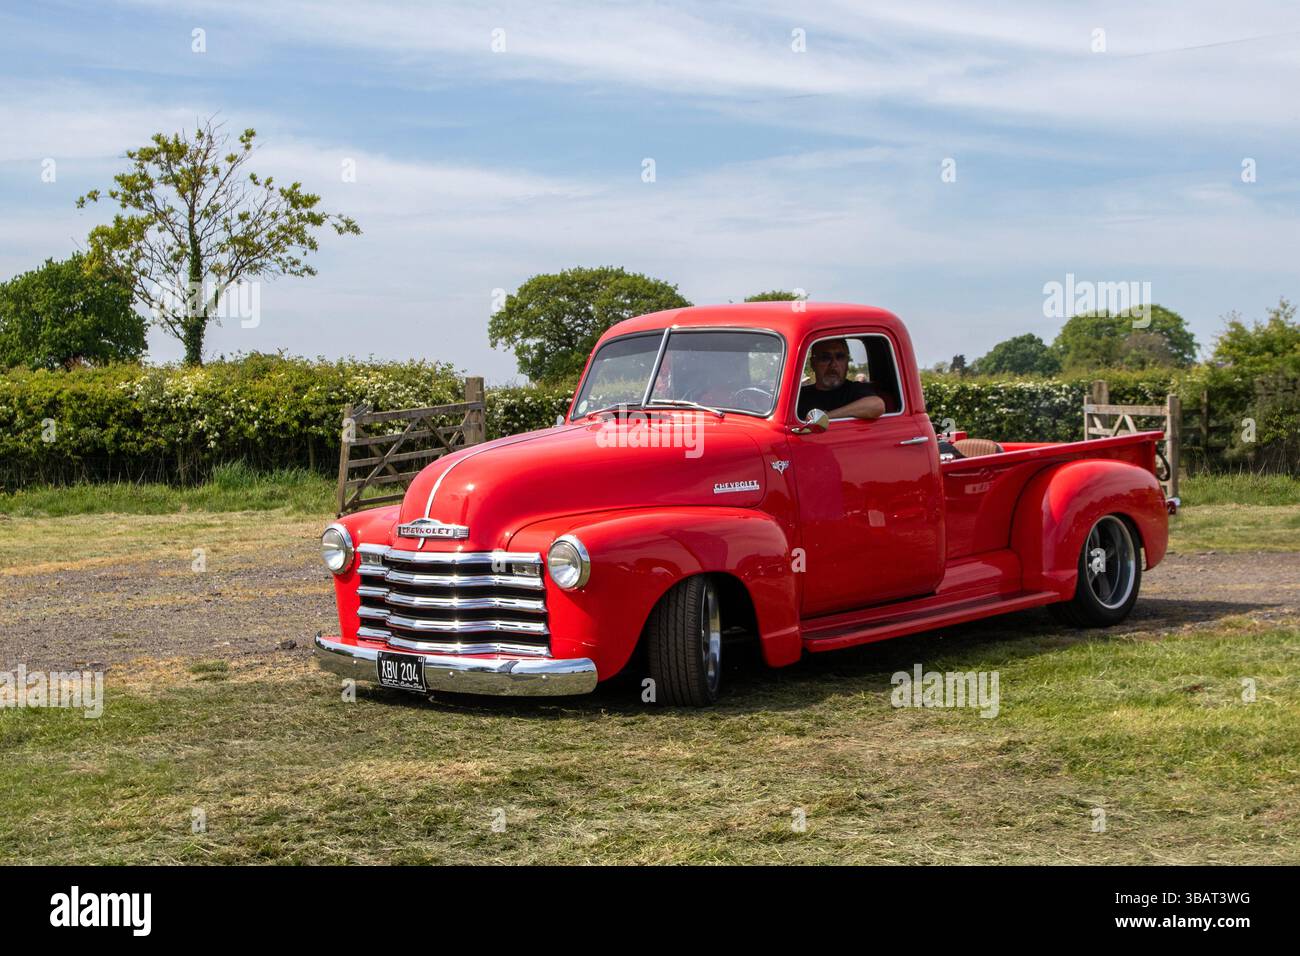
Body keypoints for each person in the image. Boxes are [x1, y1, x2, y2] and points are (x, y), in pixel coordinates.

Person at [797, 338, 886, 420]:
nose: (833, 364)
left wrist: (825, 417)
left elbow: (877, 405)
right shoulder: (799, 396)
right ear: (813, 364)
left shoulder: (855, 389)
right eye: (825, 358)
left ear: (847, 363)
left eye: (840, 357)